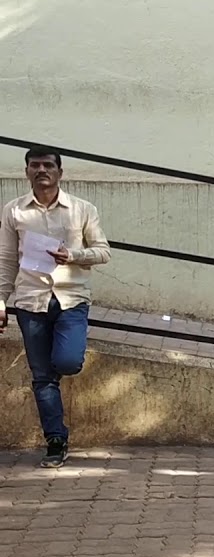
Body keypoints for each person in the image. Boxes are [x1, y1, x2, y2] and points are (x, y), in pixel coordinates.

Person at [0, 146, 111, 468]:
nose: (41, 170)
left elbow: (103, 251)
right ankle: (56, 439)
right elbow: (6, 259)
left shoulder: (81, 209)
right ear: (26, 172)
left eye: (48, 165)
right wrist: (2, 300)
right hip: (31, 301)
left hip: (71, 299)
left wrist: (74, 256)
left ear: (60, 172)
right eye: (34, 165)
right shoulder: (14, 211)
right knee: (42, 377)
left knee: (67, 361)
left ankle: (55, 384)